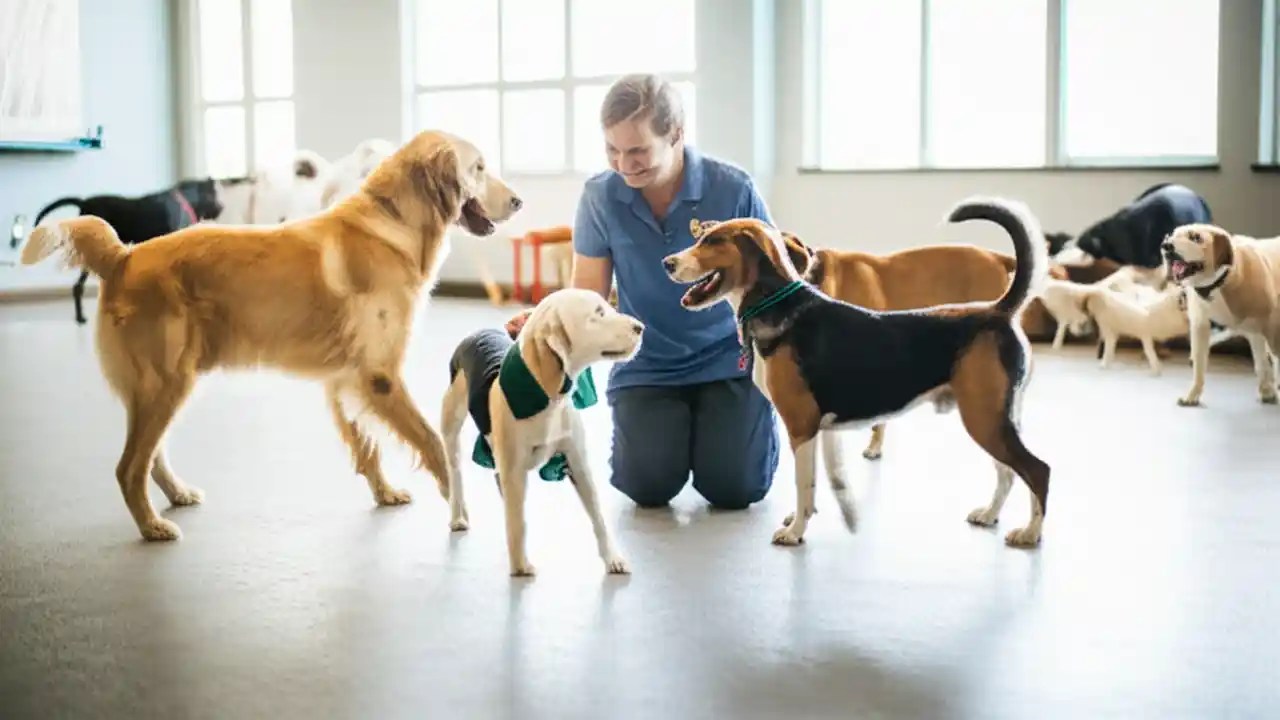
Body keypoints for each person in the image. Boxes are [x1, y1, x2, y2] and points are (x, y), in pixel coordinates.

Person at [506, 74, 779, 510]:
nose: (623, 163)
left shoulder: (734, 190)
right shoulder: (600, 197)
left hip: (729, 360)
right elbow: (588, 296)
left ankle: (738, 429)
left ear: (676, 135)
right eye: (612, 149)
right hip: (647, 363)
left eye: (637, 151)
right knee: (647, 487)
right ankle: (682, 434)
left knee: (735, 490)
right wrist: (541, 327)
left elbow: (776, 284)